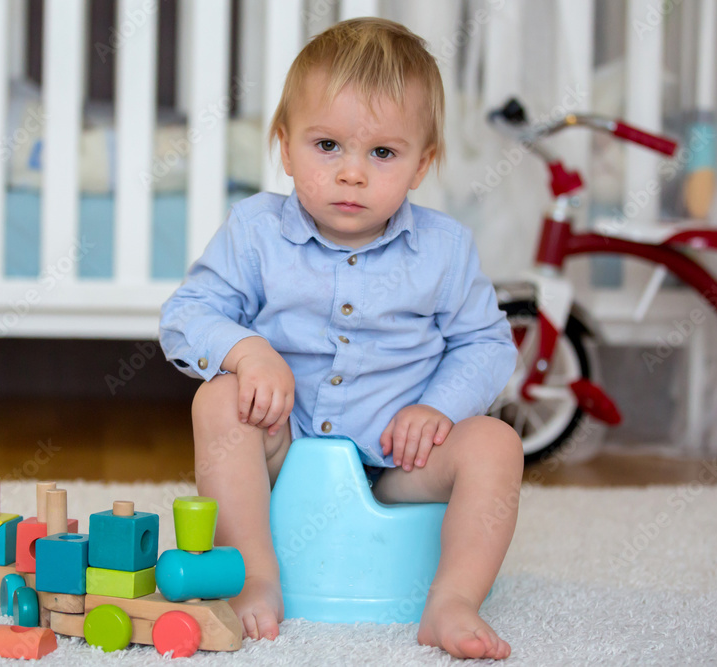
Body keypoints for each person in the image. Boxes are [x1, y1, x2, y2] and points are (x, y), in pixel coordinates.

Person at [159, 17, 522, 660]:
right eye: (327, 145)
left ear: (421, 165)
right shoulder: (255, 231)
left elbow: (488, 344)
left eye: (382, 153)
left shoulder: (443, 249)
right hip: (285, 444)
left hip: (398, 458)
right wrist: (249, 352)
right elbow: (188, 314)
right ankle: (256, 574)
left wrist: (437, 409)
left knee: (497, 444)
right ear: (285, 145)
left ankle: (452, 600)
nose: (352, 173)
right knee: (216, 401)